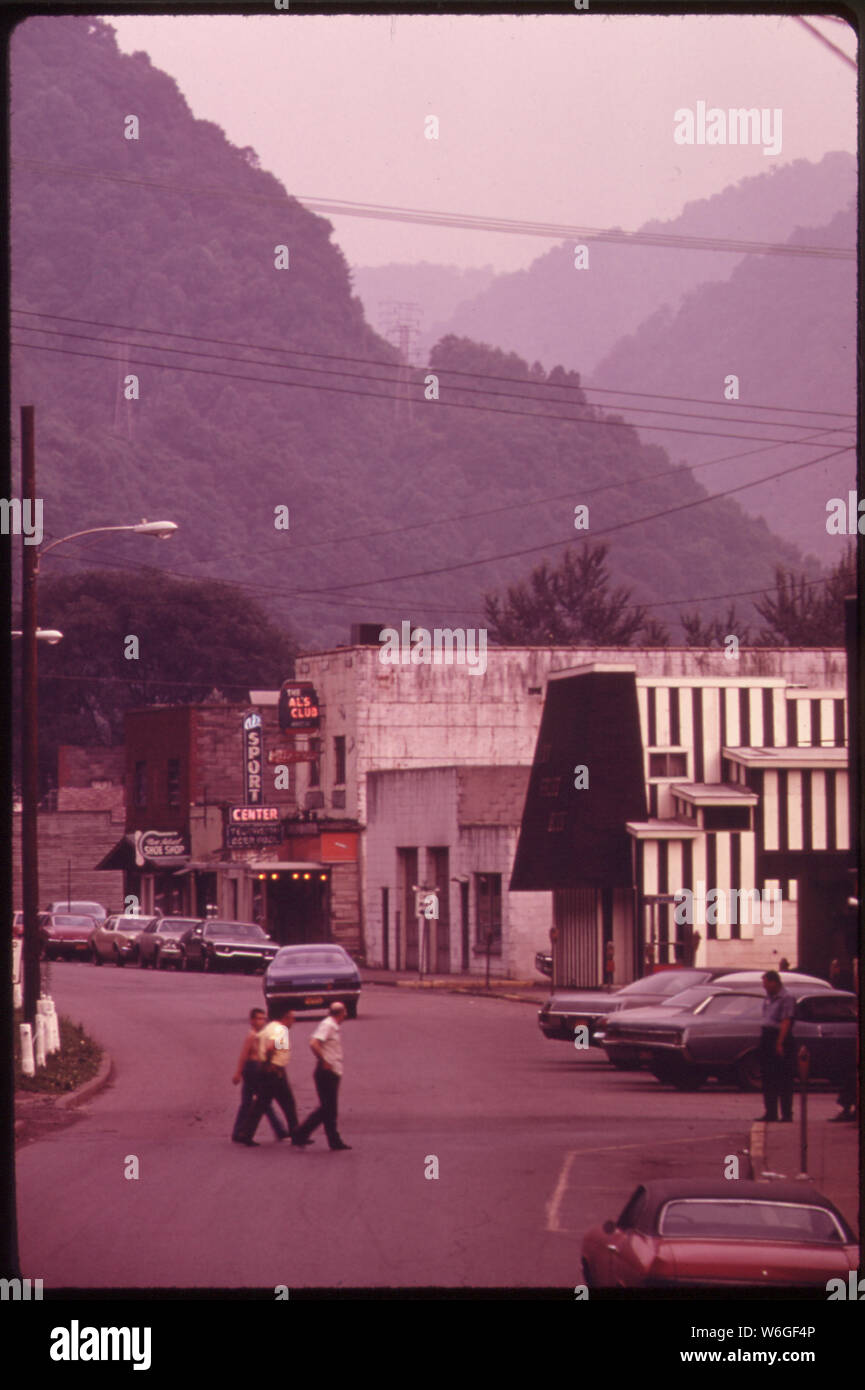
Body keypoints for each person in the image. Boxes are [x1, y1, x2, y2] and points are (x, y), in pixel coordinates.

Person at [292, 1002, 351, 1151]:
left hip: (331, 1071)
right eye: (345, 1012)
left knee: (329, 1109)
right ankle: (301, 1133)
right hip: (326, 1072)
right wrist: (323, 1060)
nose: (346, 1015)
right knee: (327, 1108)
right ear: (340, 1013)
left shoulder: (331, 1025)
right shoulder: (329, 1025)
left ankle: (331, 1140)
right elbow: (313, 1043)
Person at [239, 1006, 301, 1147]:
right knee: (288, 1104)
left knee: (261, 1104)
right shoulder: (281, 1030)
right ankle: (297, 1135)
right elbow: (270, 1047)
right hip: (275, 1071)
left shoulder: (270, 1027)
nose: (294, 1021)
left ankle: (246, 1133)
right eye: (292, 1017)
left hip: (267, 1070)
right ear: (285, 1018)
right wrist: (270, 1062)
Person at [231, 1008, 287, 1144]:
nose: (262, 1021)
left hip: (259, 1069)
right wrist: (238, 1073)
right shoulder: (252, 1036)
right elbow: (244, 1055)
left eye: (263, 1018)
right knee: (263, 1101)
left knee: (248, 1102)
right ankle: (279, 1130)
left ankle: (238, 1131)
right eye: (259, 1018)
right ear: (252, 1021)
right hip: (251, 1069)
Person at [758, 971, 795, 1123]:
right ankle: (770, 1112)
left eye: (766, 983)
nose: (764, 987)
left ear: (774, 982)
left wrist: (780, 1042)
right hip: (766, 1036)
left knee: (783, 1077)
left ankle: (786, 1114)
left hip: (780, 1036)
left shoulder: (786, 998)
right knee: (768, 1077)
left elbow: (786, 1021)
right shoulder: (768, 997)